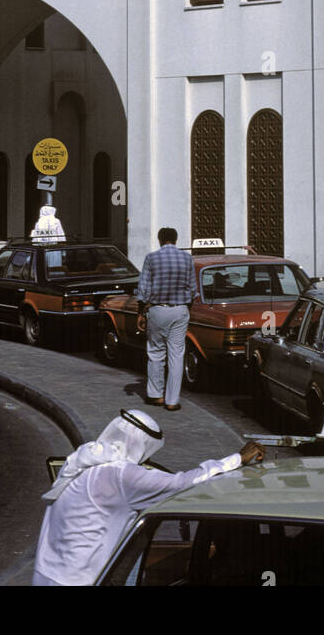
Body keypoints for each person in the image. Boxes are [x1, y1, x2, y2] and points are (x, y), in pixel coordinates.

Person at [32, 409, 264, 586]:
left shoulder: (85, 459)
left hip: (46, 572)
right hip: (80, 579)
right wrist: (237, 459)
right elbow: (183, 484)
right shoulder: (120, 476)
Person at [136, 227, 196, 409]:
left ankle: (156, 395)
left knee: (155, 352)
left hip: (157, 310)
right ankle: (172, 400)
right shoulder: (187, 258)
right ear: (176, 240)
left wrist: (140, 312)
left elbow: (144, 287)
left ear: (160, 239)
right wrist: (187, 308)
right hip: (180, 309)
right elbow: (193, 288)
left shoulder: (151, 258)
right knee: (177, 355)